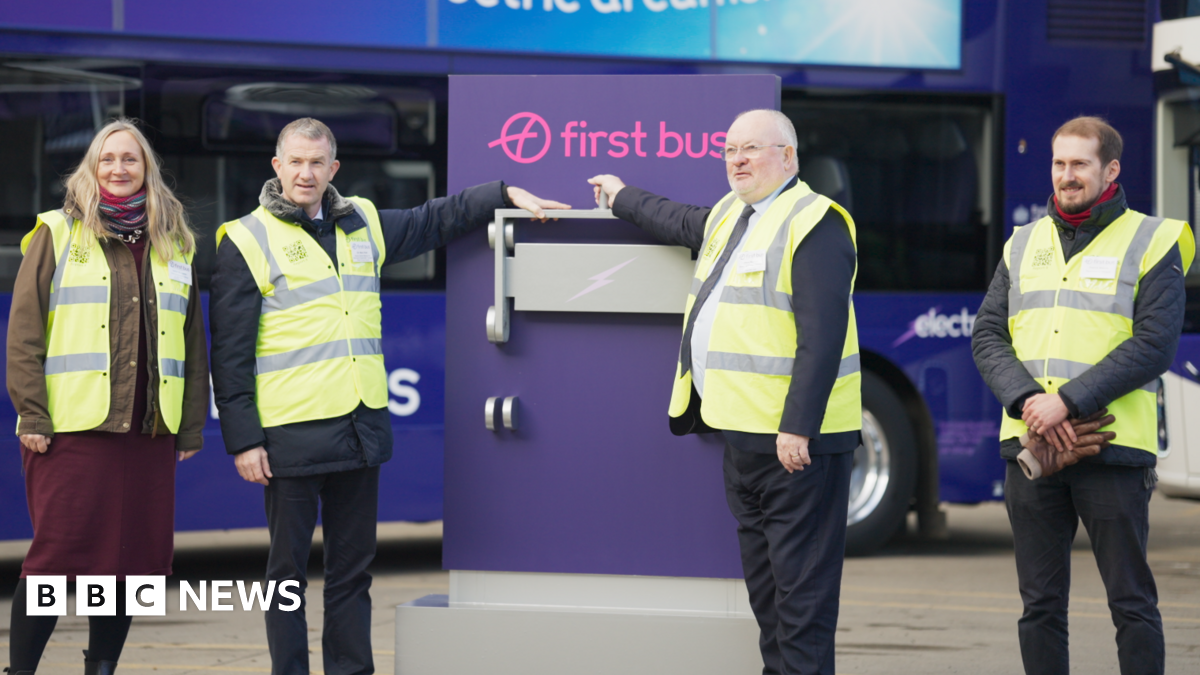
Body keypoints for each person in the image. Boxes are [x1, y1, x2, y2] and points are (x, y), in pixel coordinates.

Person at [209, 117, 567, 675]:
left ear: (334, 169)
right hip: (290, 436)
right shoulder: (246, 238)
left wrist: (501, 193)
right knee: (286, 578)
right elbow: (228, 352)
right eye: (295, 162)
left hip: (360, 429)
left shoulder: (364, 222)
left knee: (353, 575)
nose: (306, 173)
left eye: (317, 163)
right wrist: (244, 440)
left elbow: (435, 219)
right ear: (276, 168)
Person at [588, 109, 861, 675]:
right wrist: (620, 197)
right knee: (769, 604)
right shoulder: (731, 215)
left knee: (801, 607)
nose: (738, 159)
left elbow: (823, 335)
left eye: (752, 149)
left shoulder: (814, 222)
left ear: (787, 157)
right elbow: (675, 220)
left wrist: (798, 426)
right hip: (743, 442)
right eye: (731, 150)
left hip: (797, 450)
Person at [972, 116, 1194, 675]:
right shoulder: (1023, 242)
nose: (1066, 176)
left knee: (1131, 604)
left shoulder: (1155, 239)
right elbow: (987, 333)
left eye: (1080, 164)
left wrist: (1065, 402)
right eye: (1058, 163)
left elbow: (1153, 346)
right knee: (1039, 606)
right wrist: (1028, 401)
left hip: (1110, 450)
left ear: (1110, 169)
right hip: (1031, 444)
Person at [5, 118, 209, 675]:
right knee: (54, 562)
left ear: (148, 170)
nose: (119, 169)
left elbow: (192, 342)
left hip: (148, 431)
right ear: (92, 168)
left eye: (131, 159)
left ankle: (102, 669)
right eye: (108, 159)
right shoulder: (58, 232)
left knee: (130, 565)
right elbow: (24, 331)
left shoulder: (176, 241)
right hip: (72, 430)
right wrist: (32, 412)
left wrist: (188, 427)